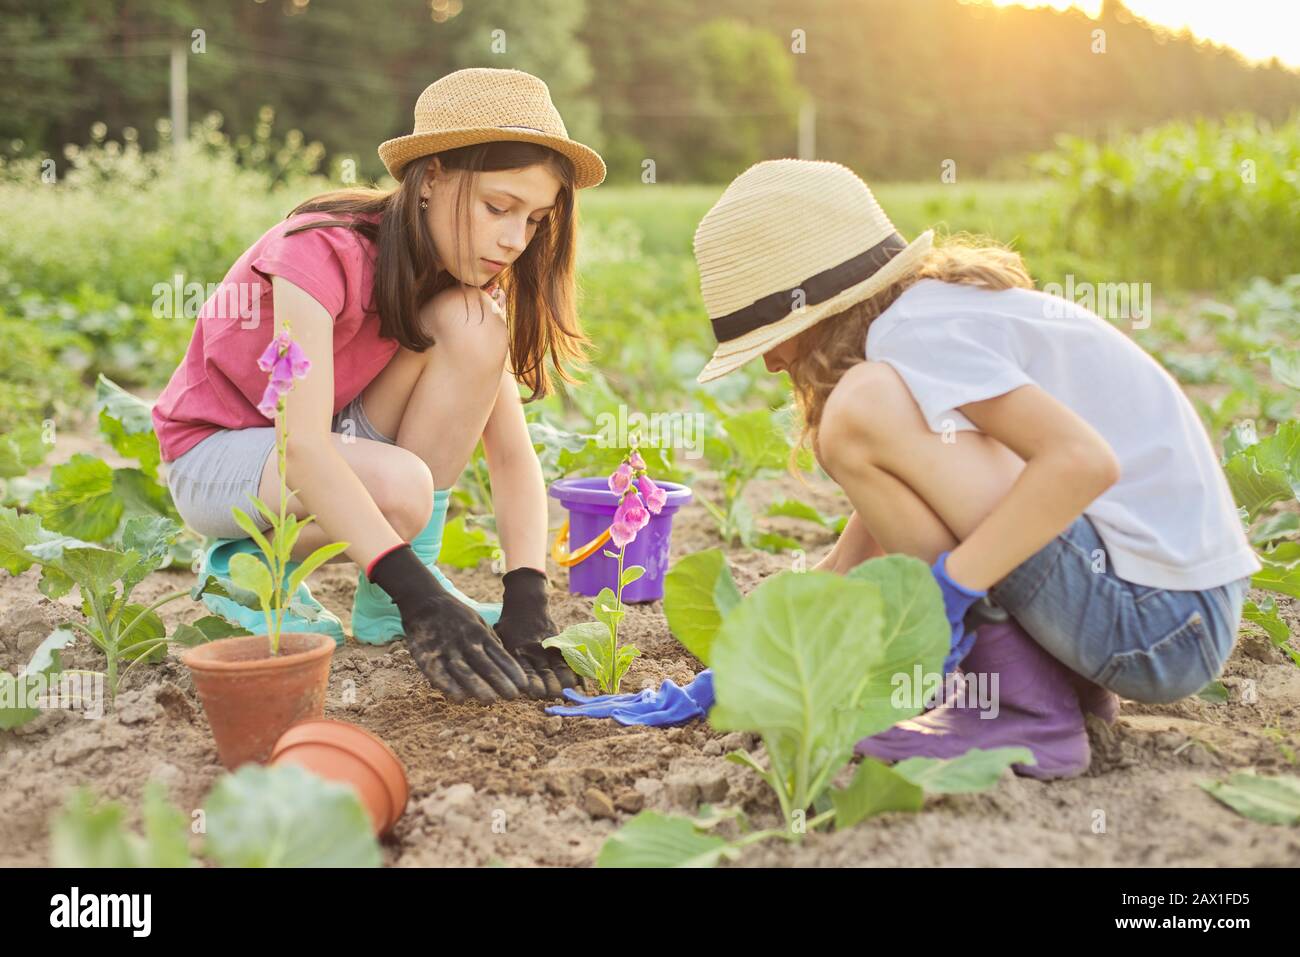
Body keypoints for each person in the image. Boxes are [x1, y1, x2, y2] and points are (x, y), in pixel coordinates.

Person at [687, 158, 1259, 778]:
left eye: (774, 333)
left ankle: (1022, 706)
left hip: (1155, 622)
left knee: (852, 413)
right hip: (1175, 614)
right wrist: (755, 656)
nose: (771, 362)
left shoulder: (916, 338)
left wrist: (952, 590)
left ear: (818, 307)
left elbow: (1082, 462)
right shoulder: (932, 315)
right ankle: (1052, 686)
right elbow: (868, 543)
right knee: (862, 413)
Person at [152, 68, 606, 704]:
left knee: (474, 325)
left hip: (324, 450)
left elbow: (510, 454)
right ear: (431, 178)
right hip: (220, 456)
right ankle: (244, 570)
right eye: (498, 208)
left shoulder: (465, 278)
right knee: (400, 485)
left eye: (534, 219)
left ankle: (381, 608)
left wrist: (527, 599)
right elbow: (302, 447)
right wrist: (423, 597)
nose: (514, 239)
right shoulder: (317, 253)